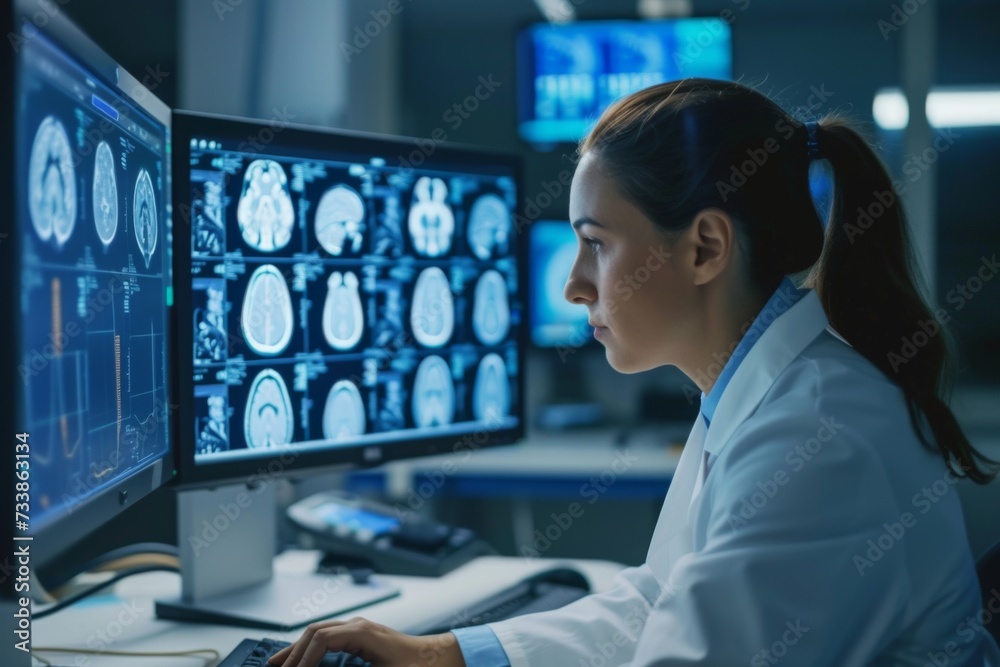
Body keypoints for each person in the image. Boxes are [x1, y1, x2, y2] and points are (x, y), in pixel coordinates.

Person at [268, 78, 1000, 666]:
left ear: (706, 247)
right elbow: (660, 601)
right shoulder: (762, 394)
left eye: (596, 244)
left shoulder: (818, 439)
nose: (573, 285)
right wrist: (443, 654)